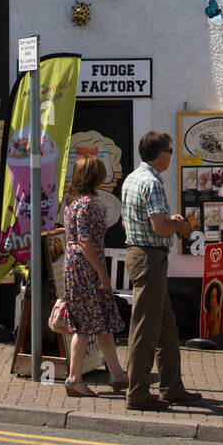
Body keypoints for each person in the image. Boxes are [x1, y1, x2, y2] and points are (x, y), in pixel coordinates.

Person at [120, 131, 202, 411]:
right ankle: (138, 392)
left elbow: (129, 222)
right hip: (150, 259)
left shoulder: (132, 178)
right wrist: (178, 226)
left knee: (166, 327)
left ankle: (172, 387)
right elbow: (160, 228)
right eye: (169, 150)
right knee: (144, 328)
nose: (171, 155)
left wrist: (170, 221)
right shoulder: (152, 183)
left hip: (141, 255)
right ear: (161, 154)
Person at [60, 156, 129, 397]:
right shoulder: (87, 204)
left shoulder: (72, 203)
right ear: (94, 177)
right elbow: (85, 241)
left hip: (74, 267)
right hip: (86, 269)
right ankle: (74, 379)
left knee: (100, 321)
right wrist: (101, 271)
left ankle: (117, 373)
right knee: (86, 324)